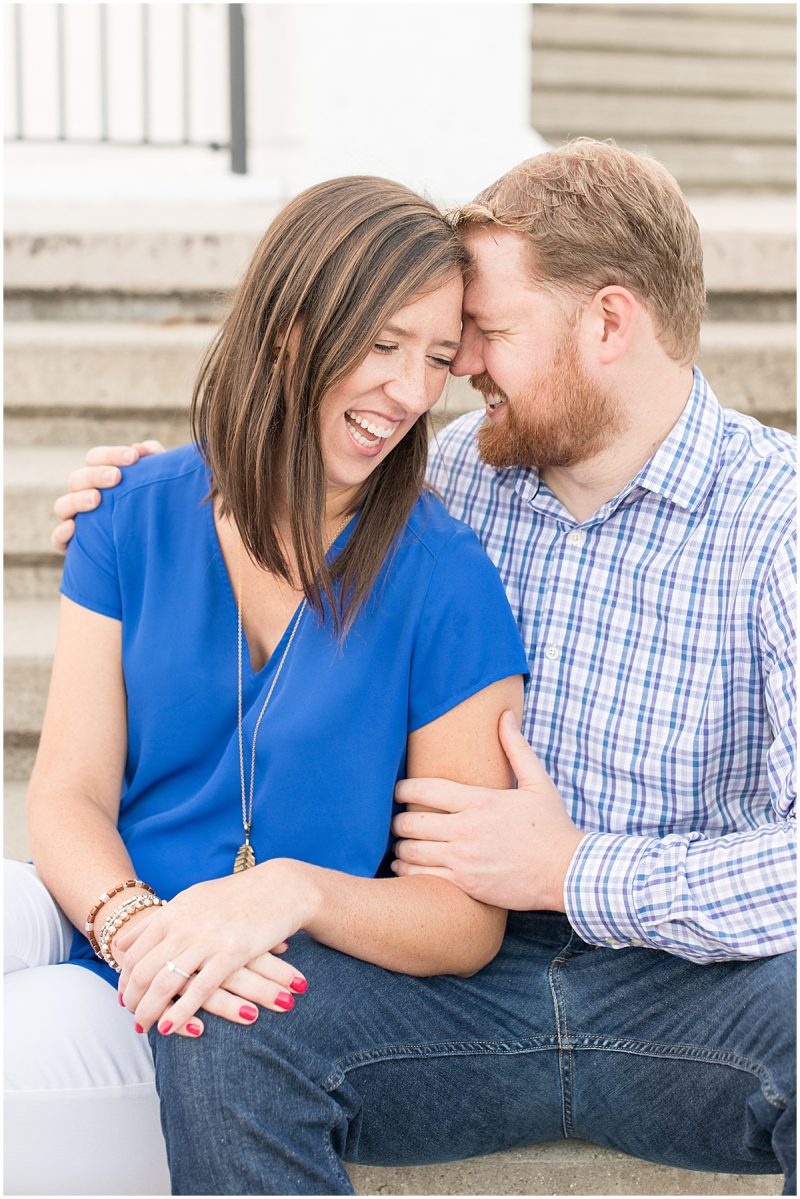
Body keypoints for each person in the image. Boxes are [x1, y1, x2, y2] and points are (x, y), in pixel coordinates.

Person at [46, 141, 795, 1195]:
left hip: (695, 987)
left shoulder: (778, 522)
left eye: (482, 335)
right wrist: (132, 493)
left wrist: (572, 869)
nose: (457, 374)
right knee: (226, 1017)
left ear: (609, 323)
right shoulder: (456, 477)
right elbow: (293, 452)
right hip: (456, 992)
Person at [4, 176, 530, 1197]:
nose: (410, 392)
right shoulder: (131, 513)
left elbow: (462, 919)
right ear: (290, 326)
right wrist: (130, 923)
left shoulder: (445, 574)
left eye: (433, 358)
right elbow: (66, 790)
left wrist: (282, 896)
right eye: (382, 344)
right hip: (103, 916)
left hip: (233, 1000)